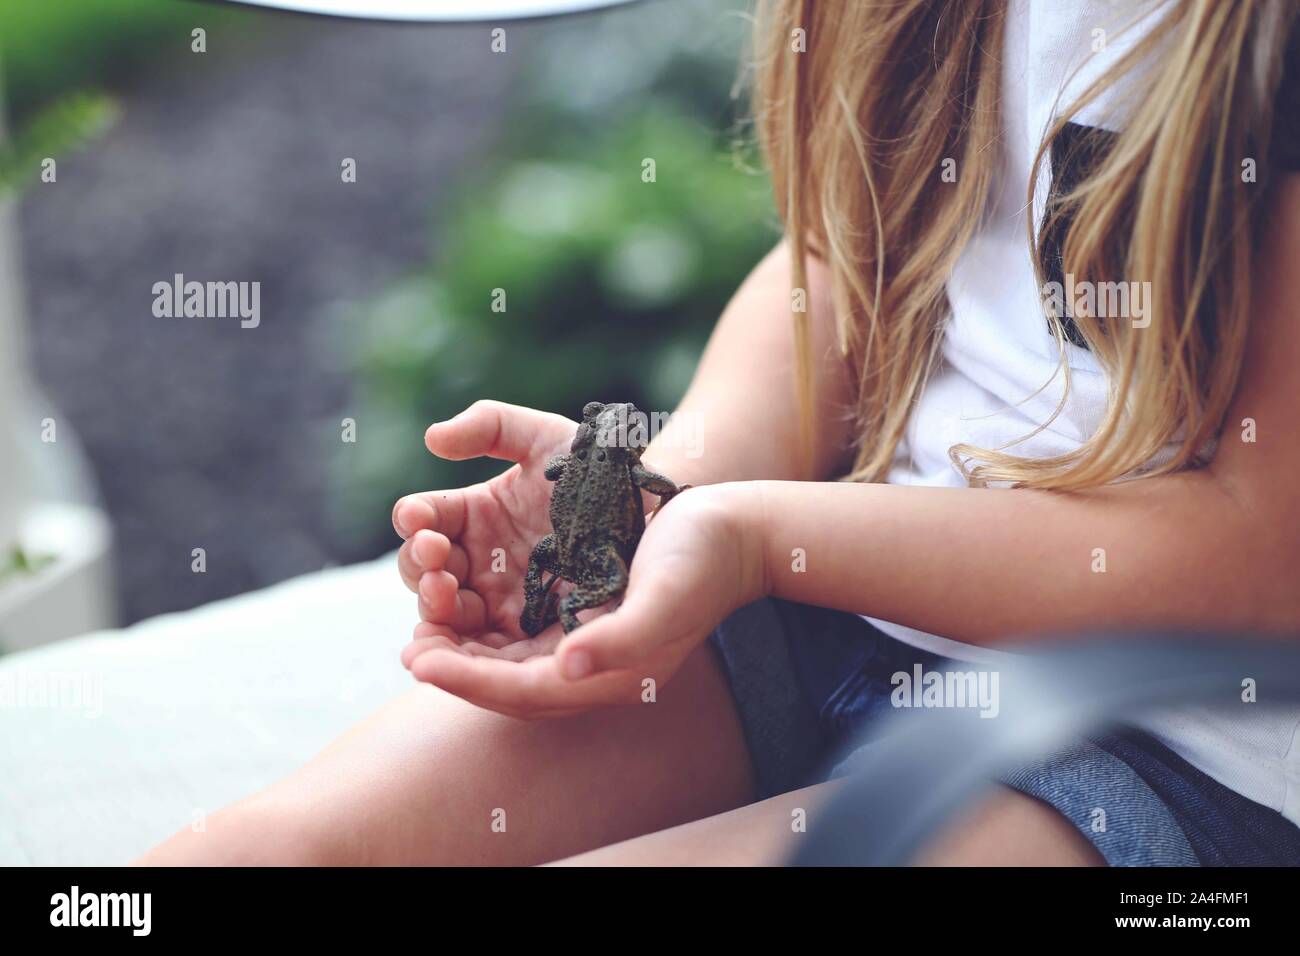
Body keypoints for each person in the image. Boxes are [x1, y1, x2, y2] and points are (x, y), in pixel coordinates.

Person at [140, 0, 1300, 866]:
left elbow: (1264, 557)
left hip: (1168, 731)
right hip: (830, 612)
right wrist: (660, 503)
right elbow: (846, 268)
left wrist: (756, 535)